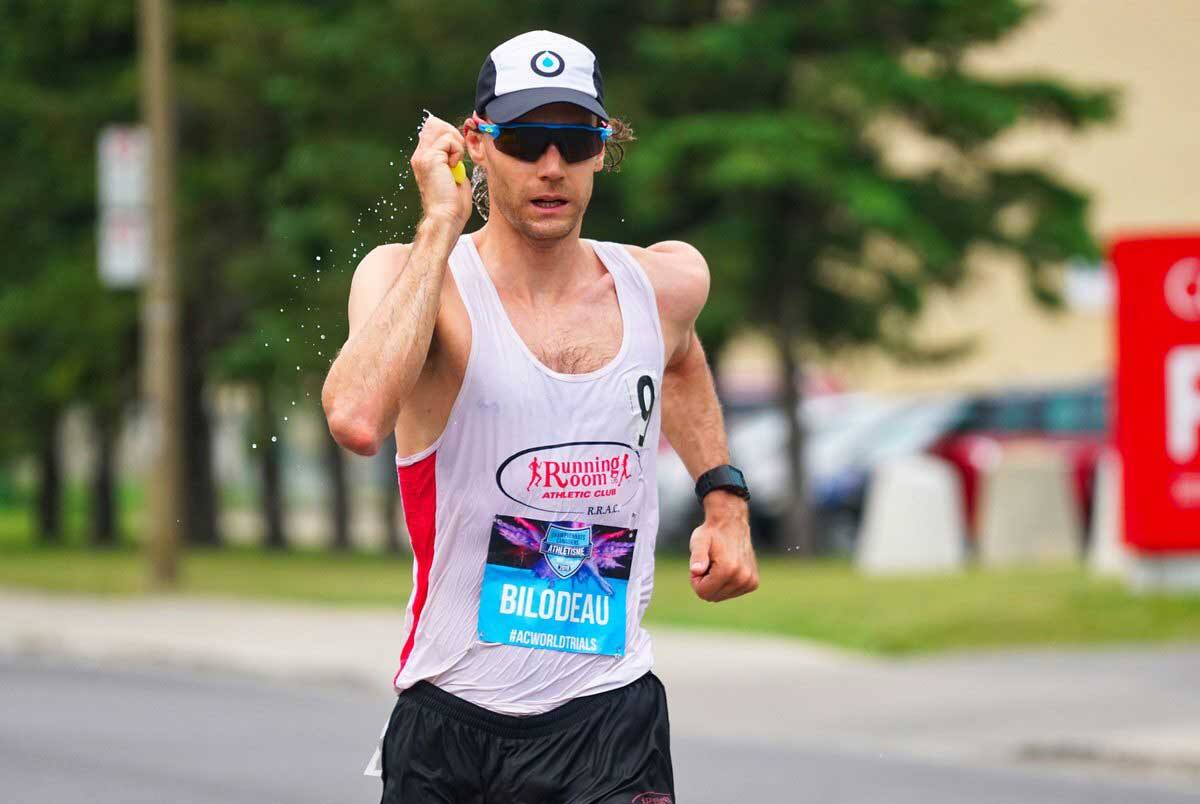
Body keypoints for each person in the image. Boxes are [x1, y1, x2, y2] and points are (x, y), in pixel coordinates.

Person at [322, 29, 758, 804]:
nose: (551, 167)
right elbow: (357, 417)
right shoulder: (414, 280)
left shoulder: (664, 284)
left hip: (608, 719)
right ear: (477, 145)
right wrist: (438, 224)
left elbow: (682, 359)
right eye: (525, 140)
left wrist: (724, 501)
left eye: (573, 139)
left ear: (603, 149)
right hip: (451, 722)